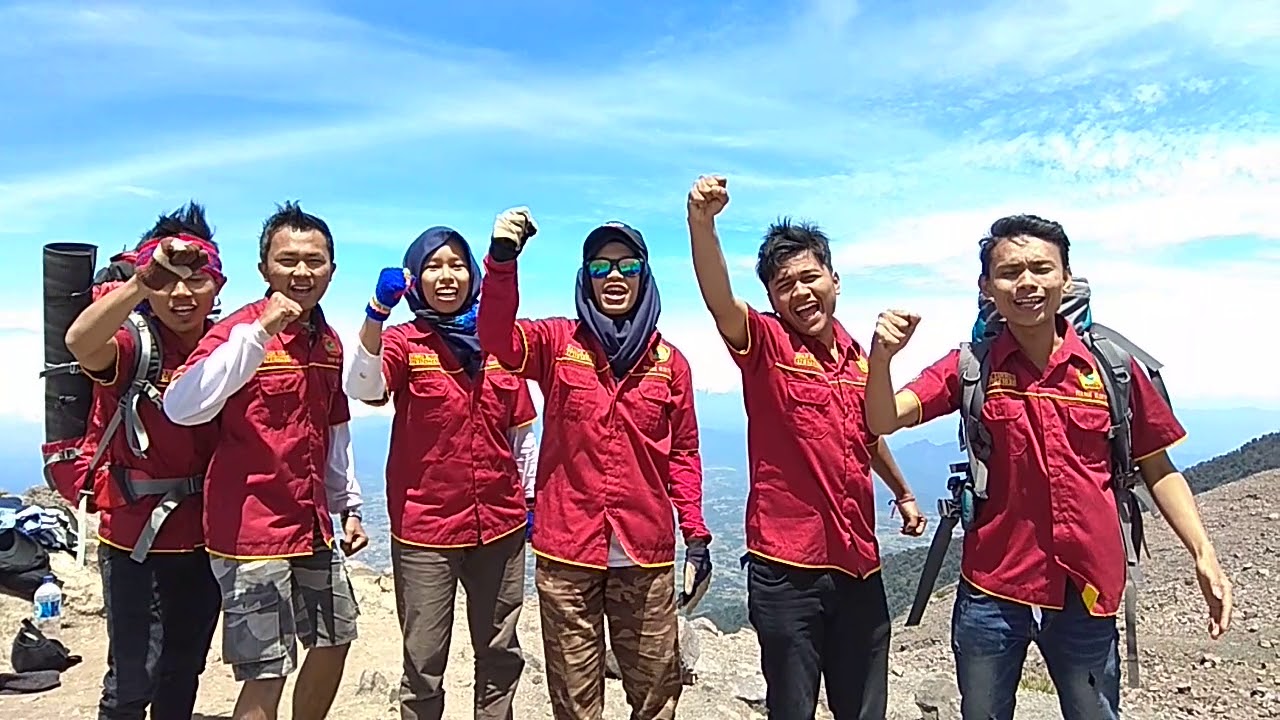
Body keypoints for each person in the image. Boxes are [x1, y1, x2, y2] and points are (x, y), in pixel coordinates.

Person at [863, 214, 1234, 720]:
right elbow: (883, 418)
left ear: (1066, 277)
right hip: (993, 586)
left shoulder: (1111, 367)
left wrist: (1203, 553)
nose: (1027, 283)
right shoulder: (970, 366)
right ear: (986, 287)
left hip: (1087, 584)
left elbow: (1158, 467)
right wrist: (882, 358)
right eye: (1009, 272)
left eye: (1041, 268)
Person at [685, 175, 926, 720]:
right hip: (786, 568)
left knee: (864, 709)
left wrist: (904, 492)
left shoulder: (859, 358)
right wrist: (702, 223)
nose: (800, 292)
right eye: (784, 285)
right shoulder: (766, 345)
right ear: (772, 298)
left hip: (859, 563)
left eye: (809, 277)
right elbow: (720, 300)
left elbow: (866, 436)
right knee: (792, 708)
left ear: (834, 280)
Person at [476, 208, 712, 720]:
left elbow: (683, 455)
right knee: (575, 702)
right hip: (567, 553)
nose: (614, 276)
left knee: (656, 697)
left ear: (645, 275)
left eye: (628, 266)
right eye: (601, 267)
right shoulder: (558, 344)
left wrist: (695, 535)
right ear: (585, 277)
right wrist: (502, 259)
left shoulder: (670, 364)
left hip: (643, 556)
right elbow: (495, 338)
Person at [162, 201, 369, 720]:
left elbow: (334, 428)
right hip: (250, 529)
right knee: (267, 668)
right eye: (288, 260)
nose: (302, 272)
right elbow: (181, 404)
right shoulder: (239, 329)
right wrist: (259, 334)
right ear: (264, 269)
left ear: (332, 270)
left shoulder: (327, 339)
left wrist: (348, 505)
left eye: (315, 261)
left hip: (311, 523)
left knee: (335, 639)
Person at [344, 226, 539, 720]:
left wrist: (530, 502)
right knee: (424, 660)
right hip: (426, 530)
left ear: (473, 274)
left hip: (499, 526)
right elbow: (364, 387)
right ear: (415, 279)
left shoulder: (501, 345)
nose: (446, 276)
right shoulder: (404, 343)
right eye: (433, 266)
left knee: (500, 652)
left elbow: (521, 435)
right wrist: (376, 312)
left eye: (456, 265)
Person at [64, 203, 225, 720]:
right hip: (134, 541)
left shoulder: (226, 346)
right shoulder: (135, 343)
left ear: (217, 284)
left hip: (204, 539)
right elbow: (80, 343)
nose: (181, 294)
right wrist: (139, 282)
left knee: (183, 671)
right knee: (132, 682)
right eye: (167, 281)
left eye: (196, 279)